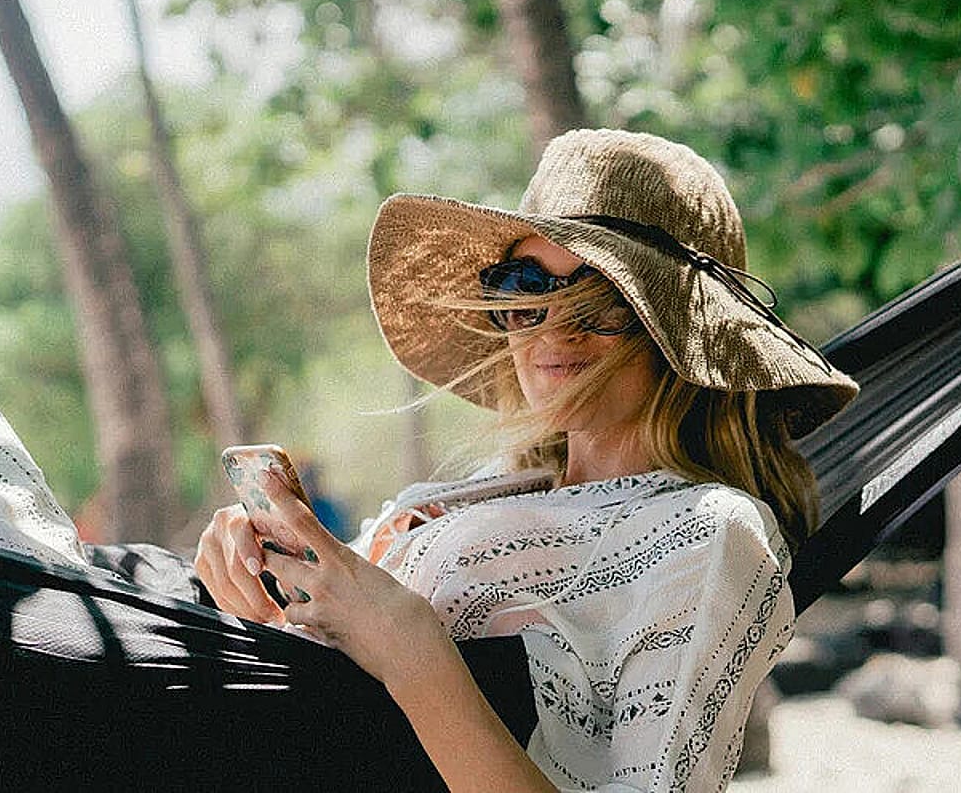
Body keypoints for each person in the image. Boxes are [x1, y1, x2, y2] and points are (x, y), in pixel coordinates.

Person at [195, 128, 858, 792]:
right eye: (525, 287)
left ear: (680, 333)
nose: (552, 328)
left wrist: (412, 650)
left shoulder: (708, 533)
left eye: (600, 301)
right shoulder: (491, 491)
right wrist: (267, 586)